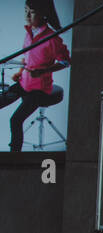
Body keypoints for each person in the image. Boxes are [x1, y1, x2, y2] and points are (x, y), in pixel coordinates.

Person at [0, 1, 69, 152]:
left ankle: (14, 156)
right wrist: (19, 73)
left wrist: (43, 71)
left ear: (43, 13)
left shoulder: (52, 38)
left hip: (39, 89)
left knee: (15, 120)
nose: (26, 15)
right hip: (24, 83)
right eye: (25, 10)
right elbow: (27, 56)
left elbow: (65, 62)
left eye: (31, 11)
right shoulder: (29, 32)